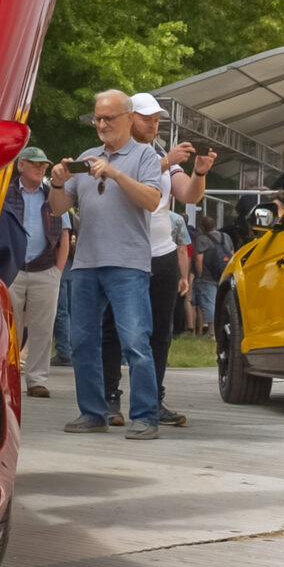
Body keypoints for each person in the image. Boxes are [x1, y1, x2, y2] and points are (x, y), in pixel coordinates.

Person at [49, 90, 164, 440]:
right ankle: (93, 412)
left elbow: (153, 200)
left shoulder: (145, 155)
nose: (101, 124)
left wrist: (114, 173)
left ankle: (145, 416)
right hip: (86, 263)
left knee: (135, 341)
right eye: (98, 118)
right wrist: (56, 182)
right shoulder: (87, 158)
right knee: (83, 342)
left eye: (108, 118)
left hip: (128, 263)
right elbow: (57, 209)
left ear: (129, 118)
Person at [98, 93, 214, 428]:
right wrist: (164, 162)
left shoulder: (162, 154)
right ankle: (109, 398)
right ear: (129, 117)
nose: (154, 125)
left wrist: (199, 173)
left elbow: (188, 194)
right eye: (148, 118)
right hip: (123, 253)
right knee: (114, 330)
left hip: (161, 253)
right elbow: (118, 179)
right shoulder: (116, 154)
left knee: (159, 332)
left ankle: (153, 398)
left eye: (158, 120)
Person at [4, 146, 69, 397]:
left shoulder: (53, 194)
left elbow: (65, 234)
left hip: (45, 269)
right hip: (12, 269)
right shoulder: (4, 194)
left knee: (43, 328)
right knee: (10, 329)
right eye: (35, 163)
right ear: (21, 165)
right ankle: (8, 381)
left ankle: (37, 380)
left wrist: (57, 272)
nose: (41, 168)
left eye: (43, 165)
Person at [191, 214, 232, 336]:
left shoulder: (202, 239)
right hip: (223, 274)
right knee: (223, 301)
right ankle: (223, 329)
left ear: (202, 227)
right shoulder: (226, 237)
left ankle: (212, 332)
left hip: (207, 276)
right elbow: (232, 255)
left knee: (209, 302)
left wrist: (199, 274)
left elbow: (199, 259)